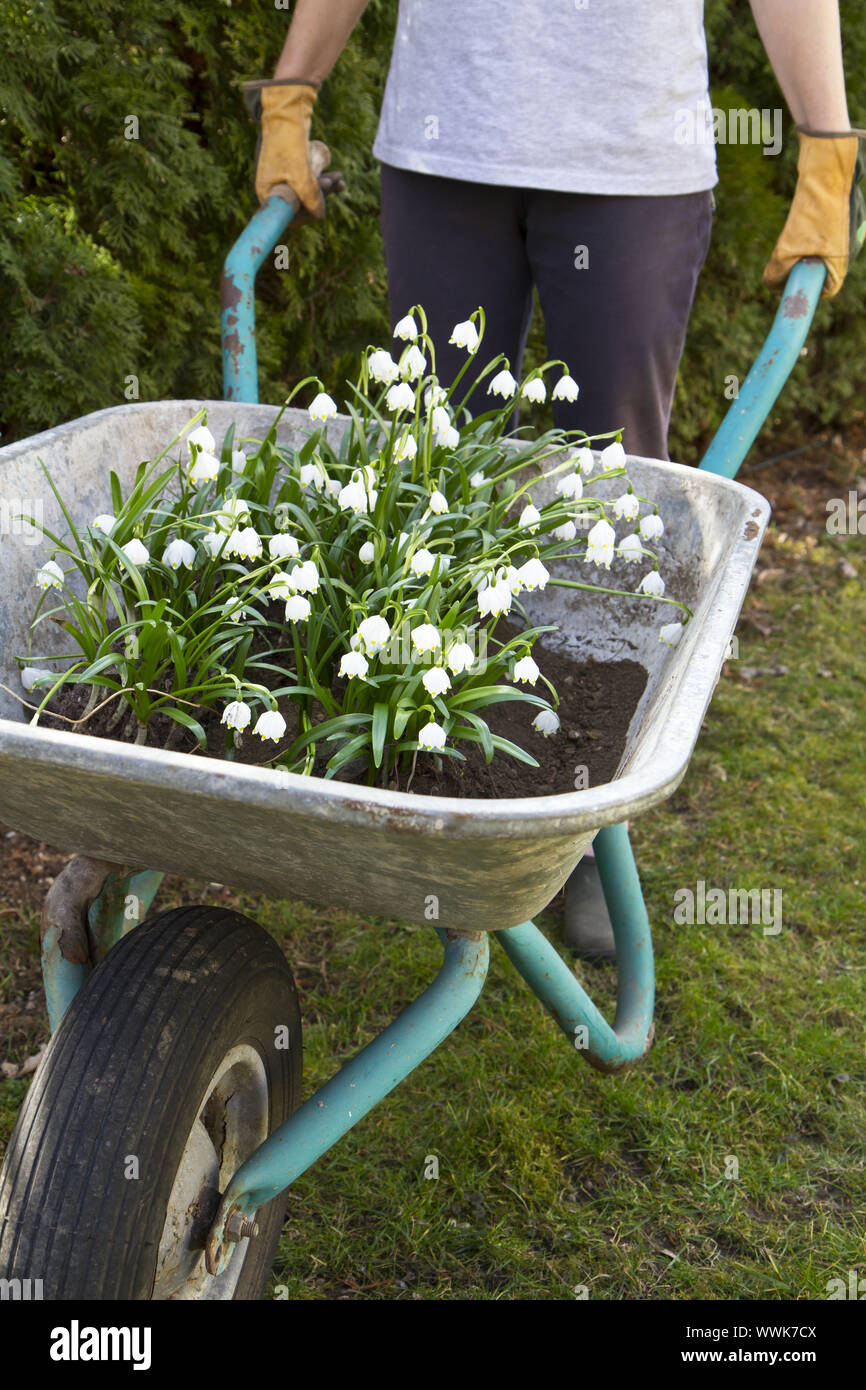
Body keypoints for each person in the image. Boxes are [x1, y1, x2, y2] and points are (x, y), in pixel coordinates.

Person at [243, 0, 862, 958]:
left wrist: (827, 143)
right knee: (435, 485)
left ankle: (586, 833)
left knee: (609, 514)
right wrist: (295, 88)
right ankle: (437, 779)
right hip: (447, 147)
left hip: (629, 164)